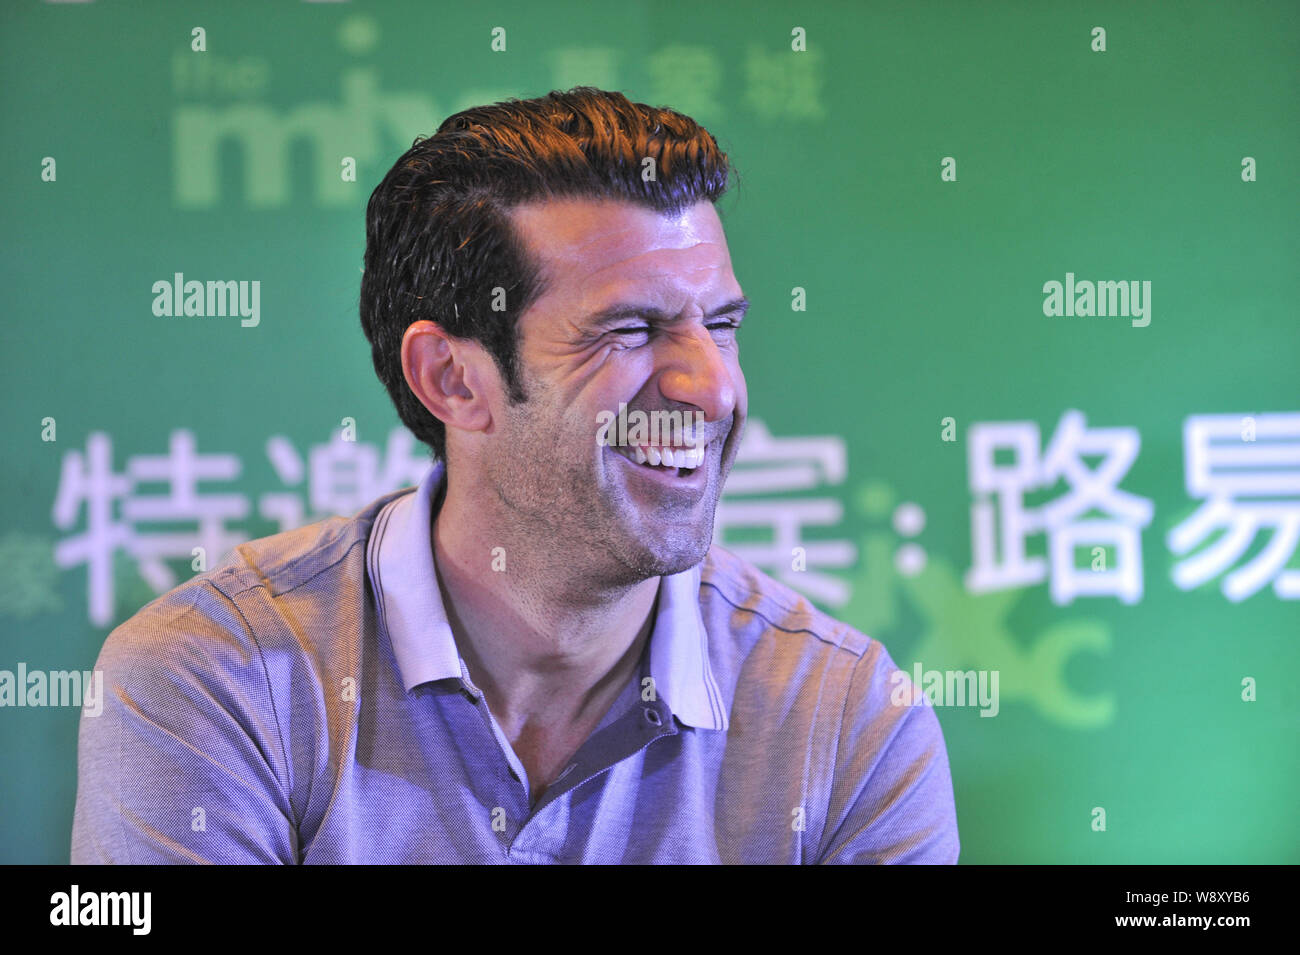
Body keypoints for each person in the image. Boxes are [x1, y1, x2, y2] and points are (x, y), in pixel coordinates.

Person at [71, 87, 959, 864]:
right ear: (453, 379)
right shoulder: (219, 679)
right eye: (630, 330)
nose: (712, 385)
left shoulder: (848, 721)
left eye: (720, 324)